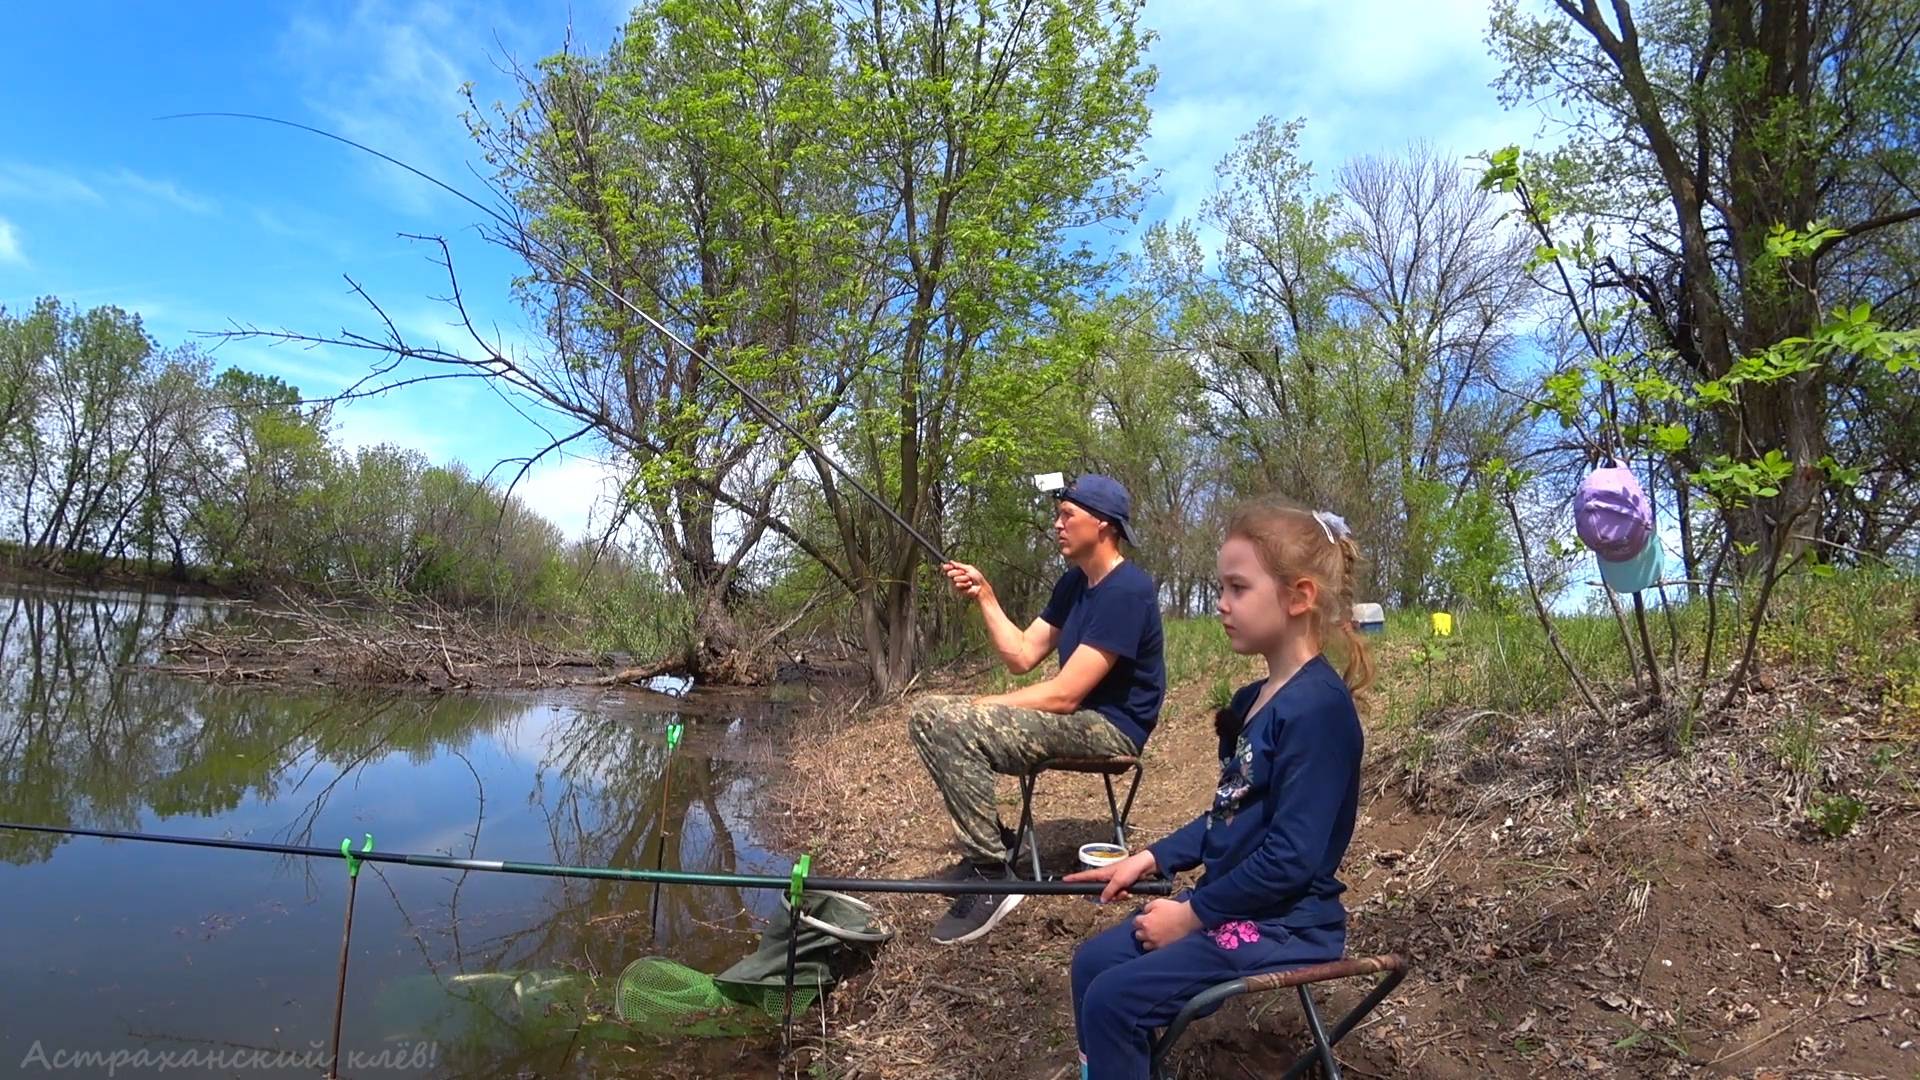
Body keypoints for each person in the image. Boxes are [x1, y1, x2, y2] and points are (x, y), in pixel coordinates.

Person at [1062, 502, 1374, 1079]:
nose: (1221, 605)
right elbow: (1226, 817)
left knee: (1115, 1000)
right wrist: (1150, 858)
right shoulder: (1250, 701)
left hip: (1289, 925)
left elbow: (1292, 857)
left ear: (1298, 596)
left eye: (1237, 587)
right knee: (1092, 964)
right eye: (1219, 587)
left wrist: (1191, 915)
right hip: (1236, 906)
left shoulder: (1319, 711)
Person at [909, 474, 1166, 945]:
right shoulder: (1075, 584)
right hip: (1076, 718)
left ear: (1104, 526)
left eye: (1068, 515)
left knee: (954, 720)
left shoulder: (1128, 590)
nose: (1057, 524)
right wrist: (985, 595)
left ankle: (992, 876)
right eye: (1059, 514)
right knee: (928, 712)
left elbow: (1066, 694)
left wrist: (978, 705)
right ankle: (997, 846)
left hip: (1111, 727)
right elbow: (1023, 654)